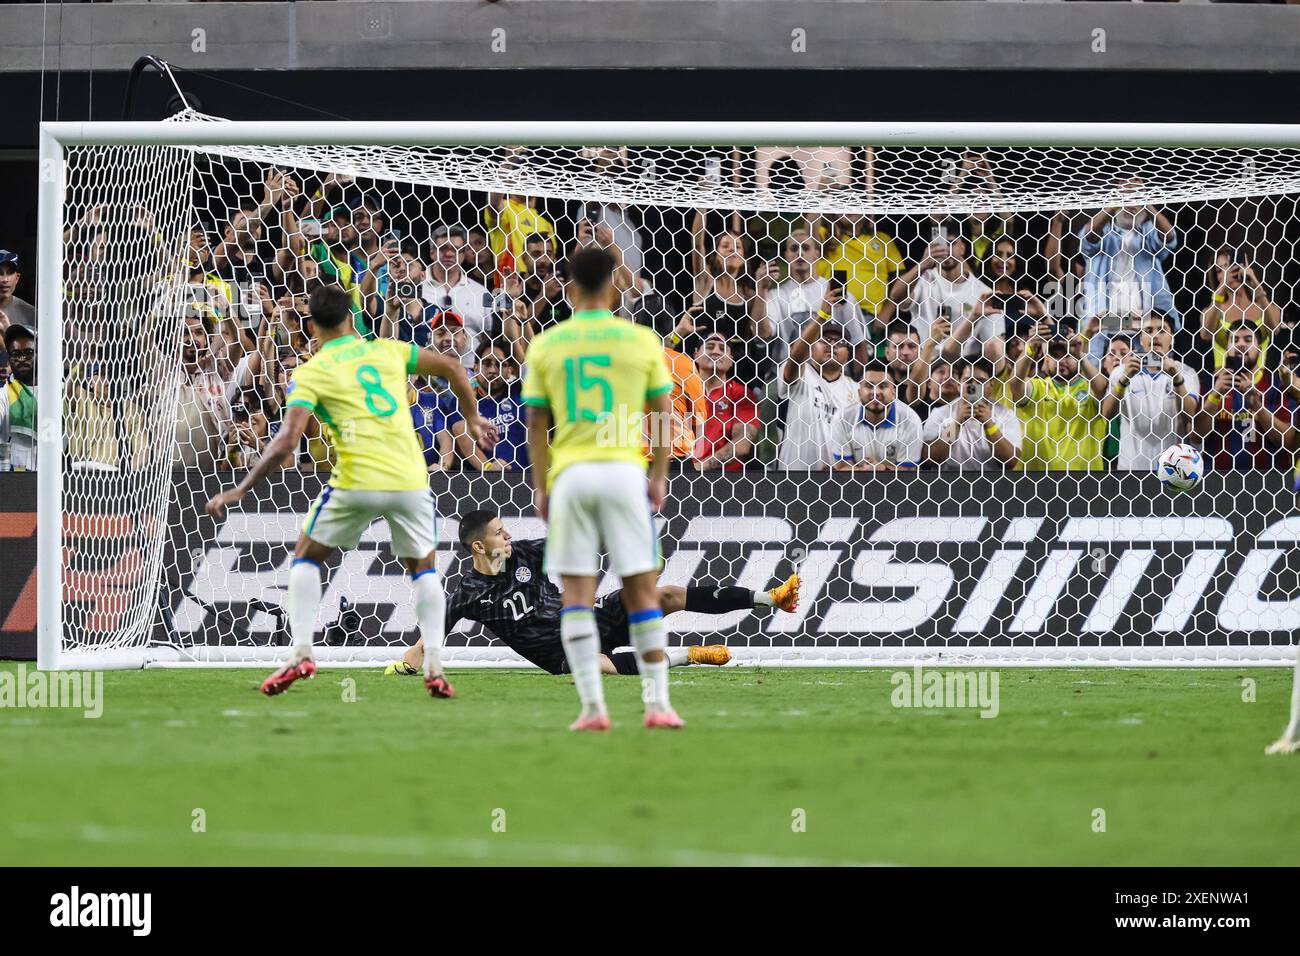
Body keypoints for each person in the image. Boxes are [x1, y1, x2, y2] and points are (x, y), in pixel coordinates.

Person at [204, 284, 497, 699]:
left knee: (306, 556)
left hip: (356, 479)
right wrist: (473, 417)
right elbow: (454, 369)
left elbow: (287, 441)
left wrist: (241, 488)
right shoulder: (389, 351)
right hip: (409, 478)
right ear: (352, 317)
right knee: (425, 571)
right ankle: (433, 664)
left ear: (311, 326)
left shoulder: (310, 372)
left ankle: (302, 652)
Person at [522, 246, 678, 732]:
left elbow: (536, 421)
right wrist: (658, 475)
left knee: (575, 595)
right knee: (641, 593)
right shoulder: (642, 341)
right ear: (615, 287)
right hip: (624, 473)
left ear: (568, 287)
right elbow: (662, 413)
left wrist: (542, 485)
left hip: (571, 475)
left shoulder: (546, 344)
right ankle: (658, 706)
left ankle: (592, 709)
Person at [388, 512, 801, 676]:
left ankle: (770, 598)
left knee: (664, 594)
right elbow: (429, 639)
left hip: (586, 616)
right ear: (478, 547)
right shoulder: (466, 593)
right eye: (499, 533)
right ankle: (692, 655)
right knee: (598, 666)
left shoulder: (527, 551)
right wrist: (403, 665)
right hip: (560, 652)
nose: (508, 534)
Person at [1100, 313, 1200, 471]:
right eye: (1149, 330)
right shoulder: (1121, 372)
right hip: (1130, 470)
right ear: (1140, 339)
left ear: (1171, 338)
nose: (1155, 336)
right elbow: (1107, 413)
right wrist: (1124, 380)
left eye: (1162, 330)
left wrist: (1176, 377)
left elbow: (1190, 415)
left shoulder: (1186, 372)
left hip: (1172, 472)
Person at [775, 315, 859, 470]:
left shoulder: (856, 390)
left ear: (848, 353)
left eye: (840, 342)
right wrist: (822, 314)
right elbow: (796, 358)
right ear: (811, 347)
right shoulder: (801, 375)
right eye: (824, 339)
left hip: (837, 482)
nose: (832, 345)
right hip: (794, 476)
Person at [922, 359, 1022, 470]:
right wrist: (956, 424)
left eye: (981, 381)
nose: (974, 387)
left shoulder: (1005, 415)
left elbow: (1010, 461)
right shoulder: (940, 413)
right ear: (959, 385)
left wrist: (989, 424)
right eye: (968, 381)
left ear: (991, 386)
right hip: (950, 482)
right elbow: (929, 459)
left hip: (992, 483)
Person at [830, 361, 923, 472]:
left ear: (894, 392)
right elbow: (842, 467)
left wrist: (883, 470)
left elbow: (909, 472)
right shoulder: (842, 419)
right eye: (869, 386)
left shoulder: (910, 421)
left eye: (883, 386)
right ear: (859, 392)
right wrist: (865, 472)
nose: (875, 392)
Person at [0, 324, 36, 470]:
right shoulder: (5, 394)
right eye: (15, 354)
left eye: (28, 352)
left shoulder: (60, 390)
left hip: (57, 478)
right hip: (17, 480)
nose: (21, 359)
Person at [0, 250, 36, 330]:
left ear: (17, 278)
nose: (5, 279)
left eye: (10, 273)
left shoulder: (31, 314)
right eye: (0, 273)